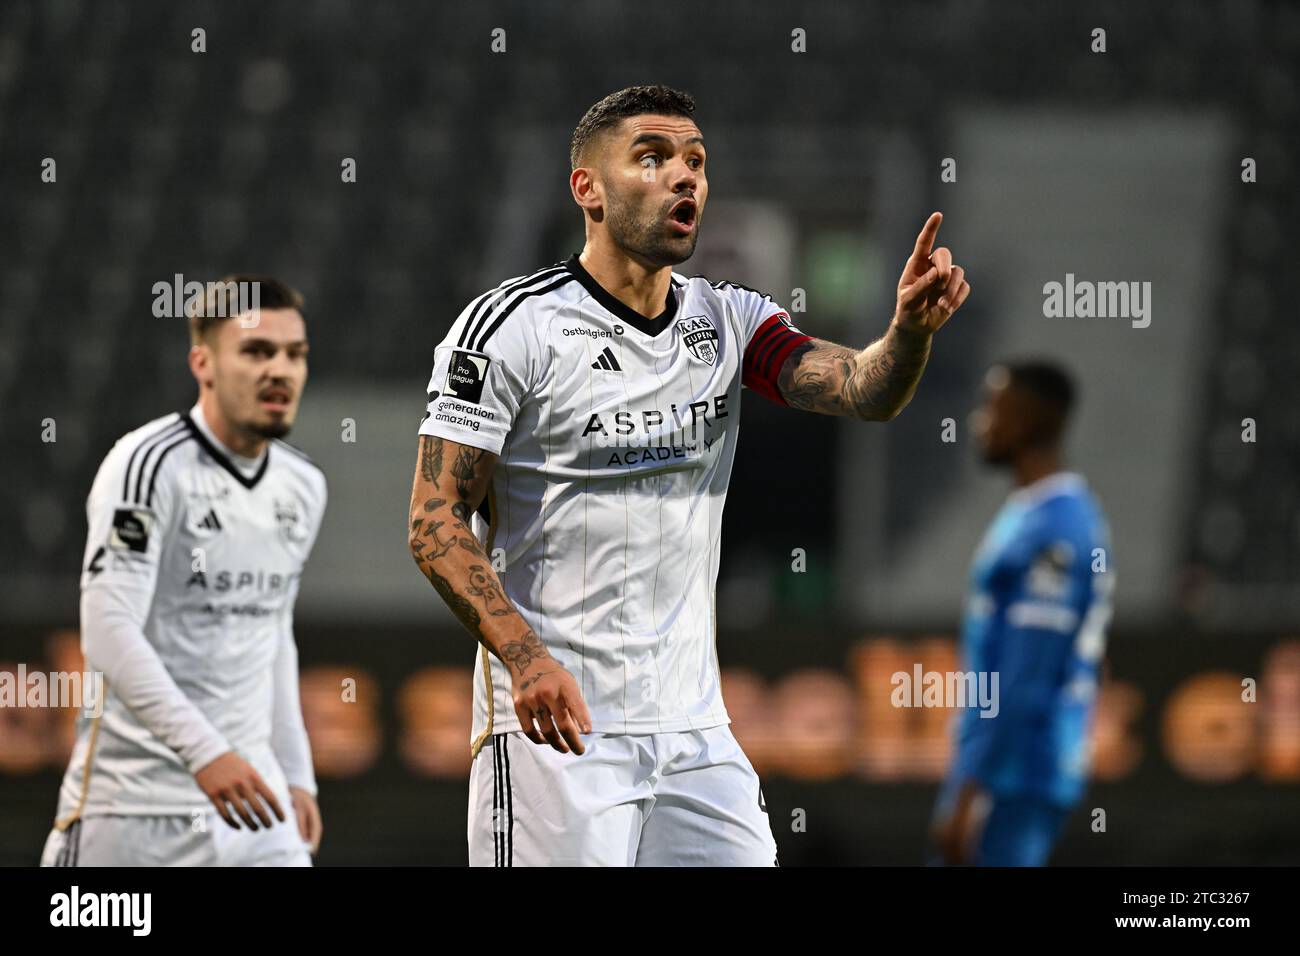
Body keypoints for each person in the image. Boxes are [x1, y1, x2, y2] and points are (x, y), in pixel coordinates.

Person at [407, 84, 970, 866]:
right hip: (557, 731)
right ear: (588, 190)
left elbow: (863, 391)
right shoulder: (511, 329)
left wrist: (907, 333)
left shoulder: (729, 321)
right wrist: (525, 659)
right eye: (653, 157)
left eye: (696, 162)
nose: (685, 177)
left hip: (695, 734)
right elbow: (433, 523)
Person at [41, 275, 326, 866]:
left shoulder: (304, 486)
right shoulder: (148, 466)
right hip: (135, 812)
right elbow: (108, 629)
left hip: (257, 809)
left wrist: (296, 774)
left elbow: (272, 634)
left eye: (294, 354)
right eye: (256, 351)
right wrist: (206, 754)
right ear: (204, 363)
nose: (281, 370)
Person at [931, 361, 1114, 866]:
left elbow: (1026, 674)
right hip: (1019, 765)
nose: (978, 422)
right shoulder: (1045, 513)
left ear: (1031, 420)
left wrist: (974, 787)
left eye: (993, 408)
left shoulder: (1055, 528)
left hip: (1012, 771)